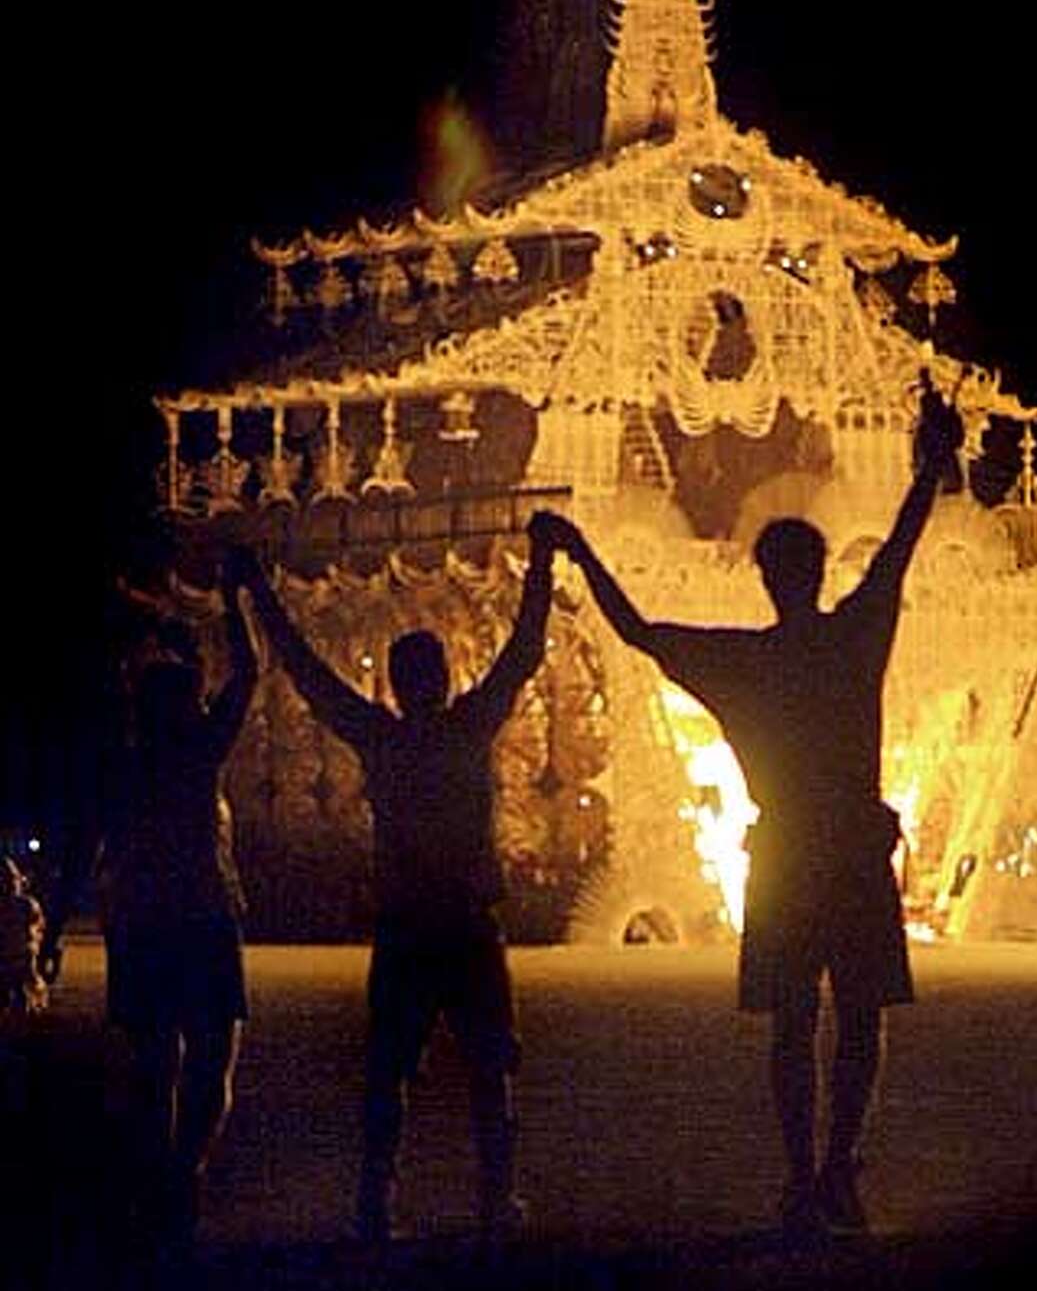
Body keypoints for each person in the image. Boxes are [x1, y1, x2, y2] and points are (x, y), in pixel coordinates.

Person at [534, 371, 963, 1240]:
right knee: (861, 1017)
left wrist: (580, 551)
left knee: (793, 1021)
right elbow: (901, 548)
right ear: (814, 573)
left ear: (766, 579)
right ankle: (839, 1166)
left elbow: (639, 631)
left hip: (787, 856)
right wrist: (931, 463)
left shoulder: (746, 664)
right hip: (849, 853)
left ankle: (804, 1175)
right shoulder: (854, 635)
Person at [231, 513, 556, 1243]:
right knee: (487, 1067)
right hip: (466, 925)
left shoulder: (382, 737)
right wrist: (541, 562)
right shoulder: (468, 727)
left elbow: (308, 669)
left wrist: (256, 587)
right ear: (438, 680)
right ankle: (492, 1202)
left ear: (401, 683)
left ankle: (377, 1204)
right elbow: (524, 651)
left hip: (411, 927)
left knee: (391, 1072)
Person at [40, 554, 258, 1244]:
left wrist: (51, 931)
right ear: (186, 702)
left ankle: (163, 1179)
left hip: (142, 919)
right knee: (209, 1055)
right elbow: (246, 674)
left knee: (157, 1060)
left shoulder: (126, 760)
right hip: (198, 915)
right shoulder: (197, 752)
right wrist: (234, 601)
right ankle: (181, 1172)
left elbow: (84, 842)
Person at [0, 855, 48, 1016]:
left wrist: (31, 944)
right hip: (10, 955)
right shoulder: (23, 904)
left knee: (19, 986)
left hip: (19, 955)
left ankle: (24, 1007)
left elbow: (36, 926)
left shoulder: (25, 904)